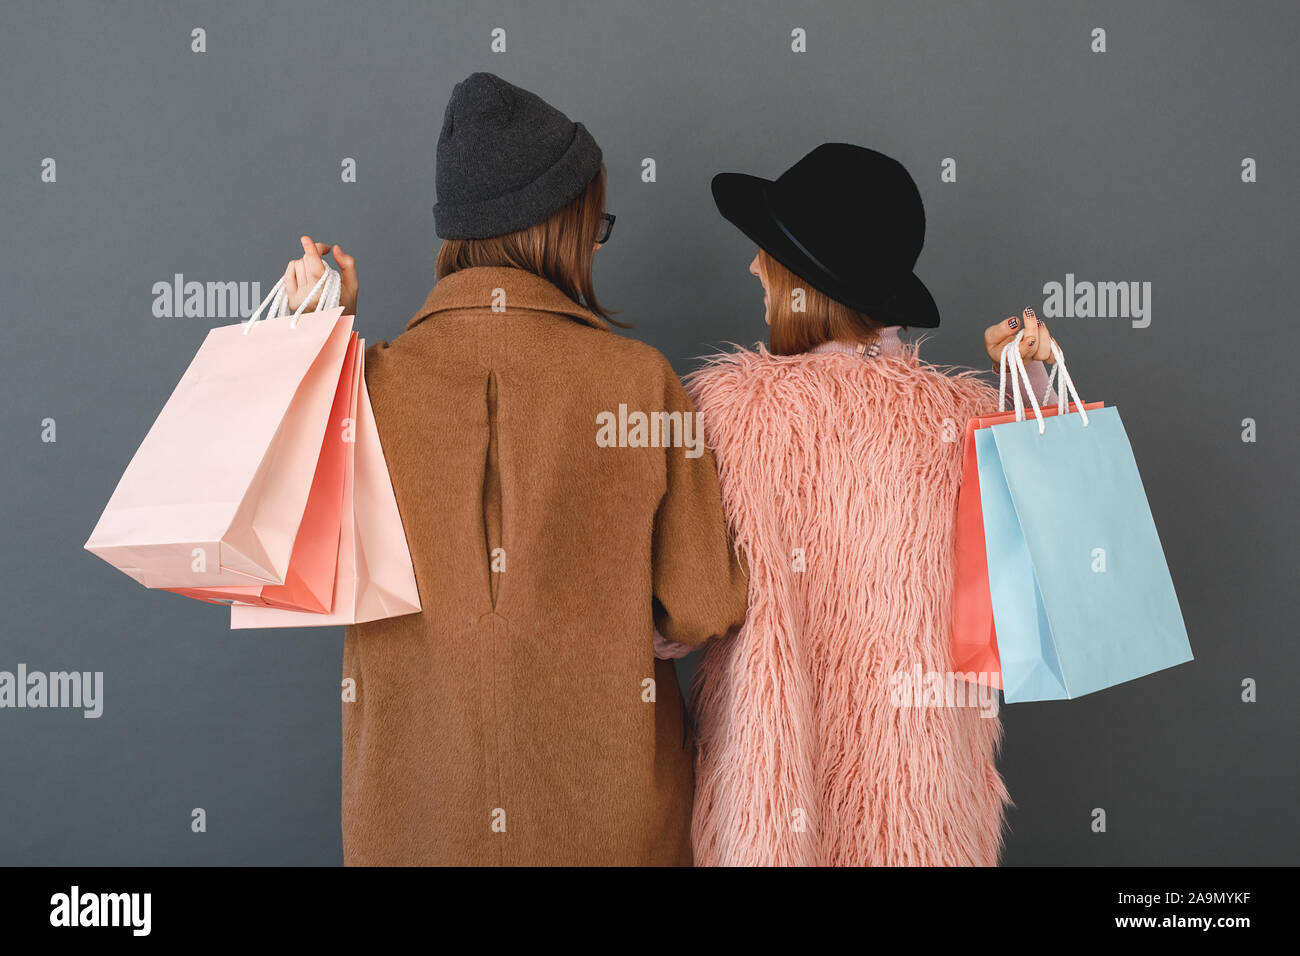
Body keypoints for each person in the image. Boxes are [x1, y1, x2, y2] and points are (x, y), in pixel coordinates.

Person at [282, 72, 747, 865]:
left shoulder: (360, 388)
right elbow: (703, 605)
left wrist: (310, 340)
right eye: (592, 221)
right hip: (608, 823)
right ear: (558, 229)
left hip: (413, 823)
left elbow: (288, 560)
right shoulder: (639, 383)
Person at [683, 143, 1058, 866]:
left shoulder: (726, 415)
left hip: (768, 798)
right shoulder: (959, 422)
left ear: (801, 281)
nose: (753, 266)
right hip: (922, 800)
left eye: (768, 254)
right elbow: (1035, 581)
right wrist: (1029, 388)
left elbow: (682, 619)